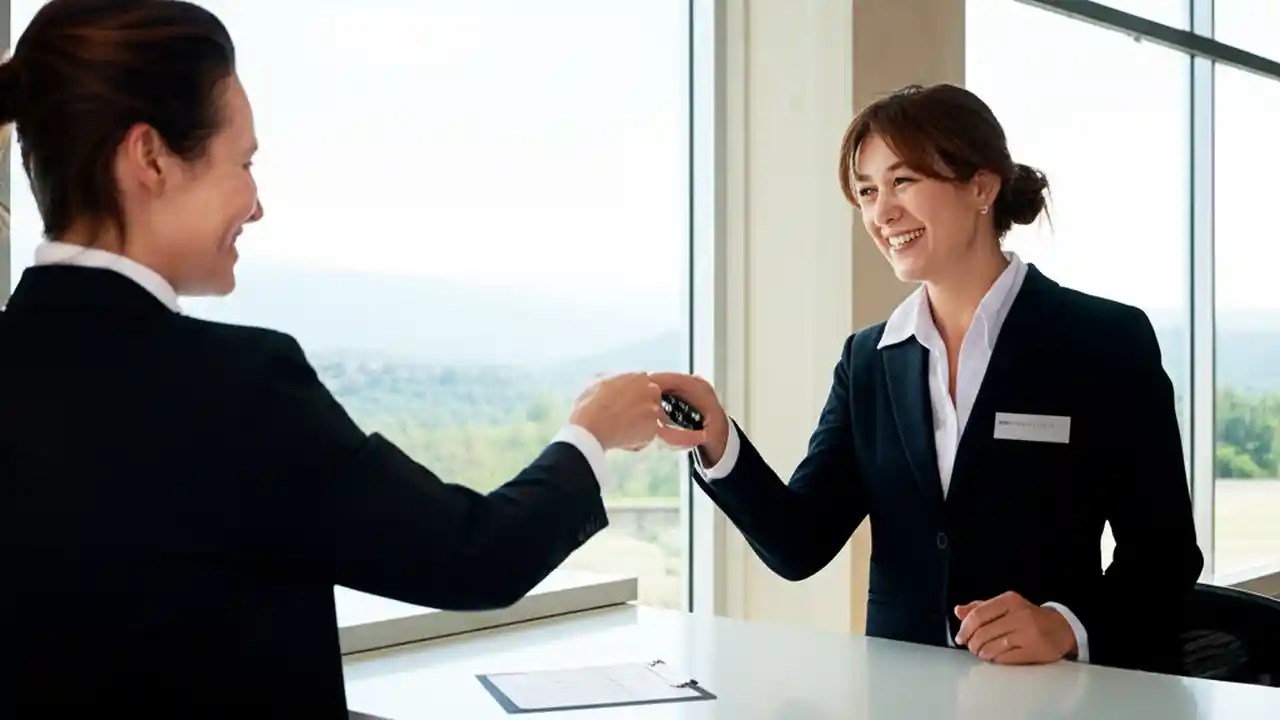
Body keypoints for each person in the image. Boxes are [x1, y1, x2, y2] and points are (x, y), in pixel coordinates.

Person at [0, 1, 704, 716]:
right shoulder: (243, 388)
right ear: (150, 158)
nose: (256, 205)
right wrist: (592, 434)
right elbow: (475, 556)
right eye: (244, 163)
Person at [652, 83, 1203, 673]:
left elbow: (1165, 557)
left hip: (1047, 695)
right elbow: (799, 543)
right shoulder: (869, 360)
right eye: (867, 191)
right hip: (899, 694)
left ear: (981, 188)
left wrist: (1064, 625)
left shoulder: (1104, 342)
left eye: (903, 181)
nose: (881, 212)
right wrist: (717, 439)